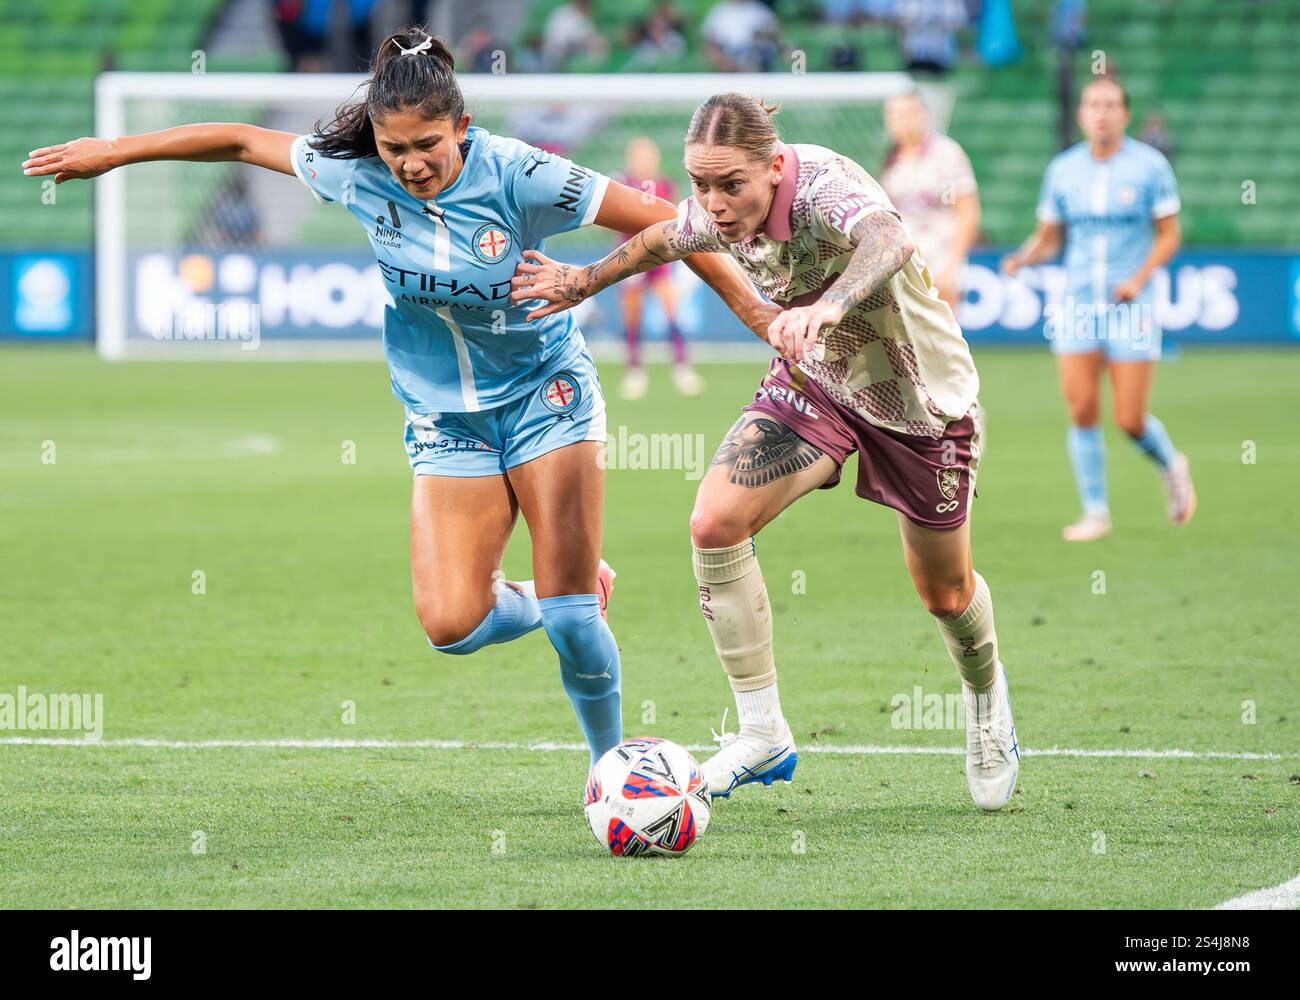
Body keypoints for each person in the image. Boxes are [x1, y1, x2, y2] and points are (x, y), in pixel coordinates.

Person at [22, 28, 768, 766]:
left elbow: (679, 227)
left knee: (575, 623)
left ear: (462, 129)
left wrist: (759, 315)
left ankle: (613, 769)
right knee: (451, 622)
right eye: (394, 148)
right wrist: (114, 152)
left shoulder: (522, 175)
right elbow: (243, 142)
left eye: (428, 146)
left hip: (548, 394)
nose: (410, 164)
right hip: (446, 419)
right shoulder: (352, 174)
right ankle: (565, 588)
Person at [512, 93, 1020, 811]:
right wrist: (583, 280)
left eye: (730, 185)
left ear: (774, 167)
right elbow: (663, 238)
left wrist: (828, 308)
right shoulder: (712, 209)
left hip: (919, 404)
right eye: (700, 184)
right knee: (714, 521)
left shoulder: (825, 185)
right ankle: (764, 733)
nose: (713, 203)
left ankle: (985, 697)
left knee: (946, 592)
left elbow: (889, 240)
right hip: (818, 382)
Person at [1002, 76, 1194, 542]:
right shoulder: (1064, 170)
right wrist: (1023, 257)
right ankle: (1095, 512)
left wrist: (1138, 279)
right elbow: (1050, 237)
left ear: (1125, 115)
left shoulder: (1150, 168)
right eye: (1093, 104)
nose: (1101, 112)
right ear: (1081, 115)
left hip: (1132, 307)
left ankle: (1171, 464)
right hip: (1077, 305)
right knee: (1082, 408)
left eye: (1110, 105)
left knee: (1129, 418)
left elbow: (1170, 234)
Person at [615, 136, 703, 400]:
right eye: (638, 155)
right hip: (630, 258)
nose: (643, 161)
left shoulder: (664, 183)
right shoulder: (621, 184)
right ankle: (634, 370)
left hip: (660, 257)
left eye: (647, 155)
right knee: (632, 314)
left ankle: (681, 366)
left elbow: (674, 217)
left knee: (671, 309)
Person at [879, 89, 979, 310]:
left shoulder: (947, 154)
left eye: (906, 114)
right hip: (905, 262)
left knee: (943, 338)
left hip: (941, 257)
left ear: (922, 115)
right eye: (893, 115)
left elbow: (968, 212)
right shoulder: (891, 162)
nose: (899, 121)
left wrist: (953, 265)